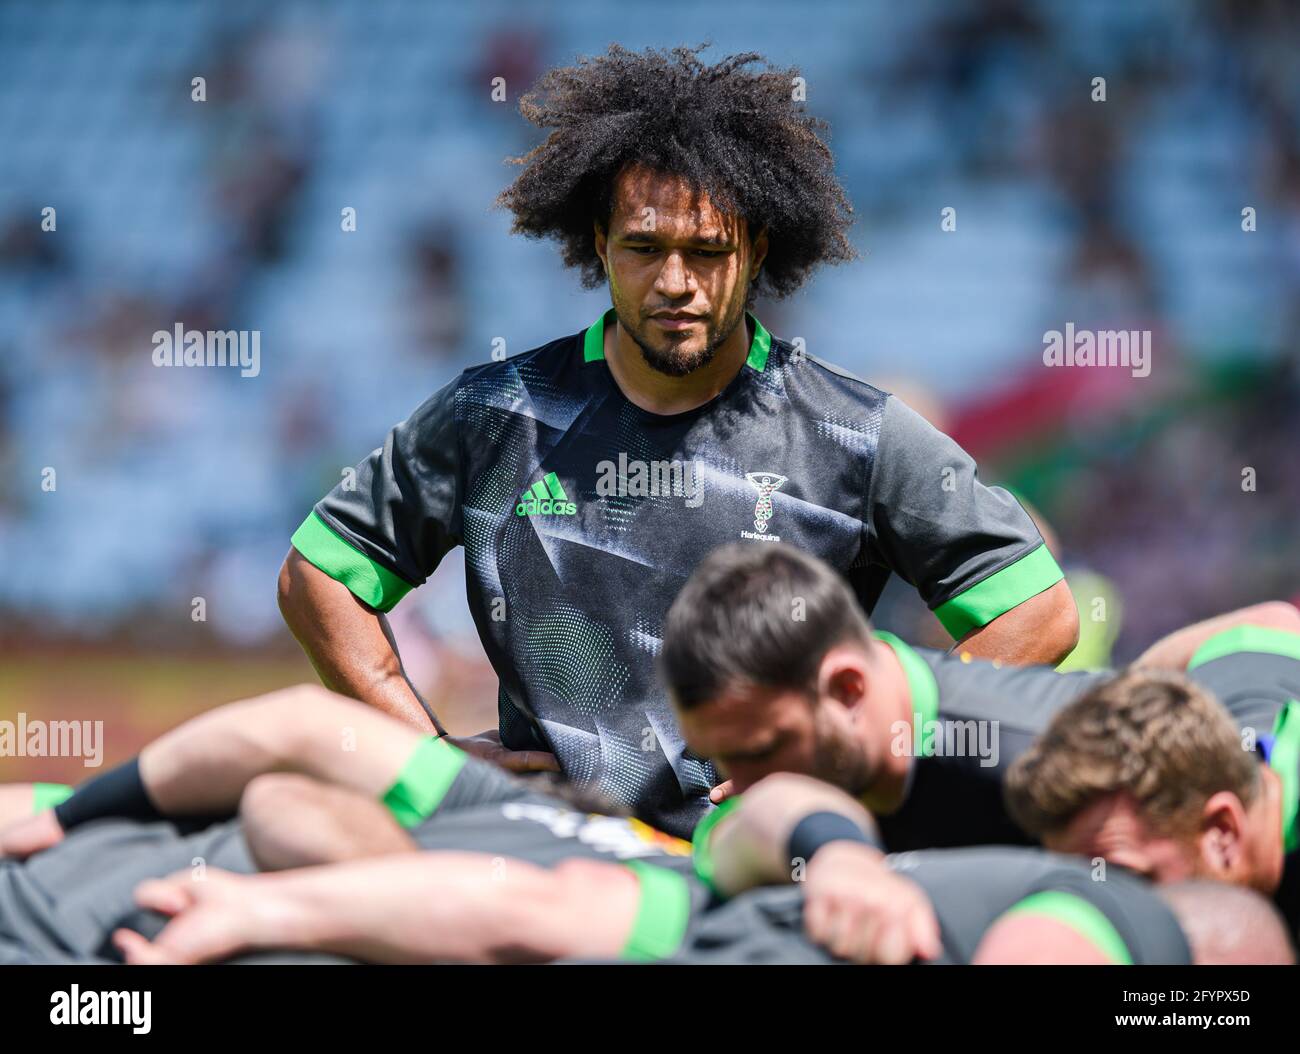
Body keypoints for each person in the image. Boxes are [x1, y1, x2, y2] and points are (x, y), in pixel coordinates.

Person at [277, 44, 1077, 837]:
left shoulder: (855, 432)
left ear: (758, 249)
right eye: (644, 247)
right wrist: (430, 765)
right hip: (546, 864)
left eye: (707, 251)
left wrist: (858, 749)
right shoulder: (497, 414)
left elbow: (1037, 613)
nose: (674, 282)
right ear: (598, 244)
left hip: (764, 878)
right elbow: (319, 576)